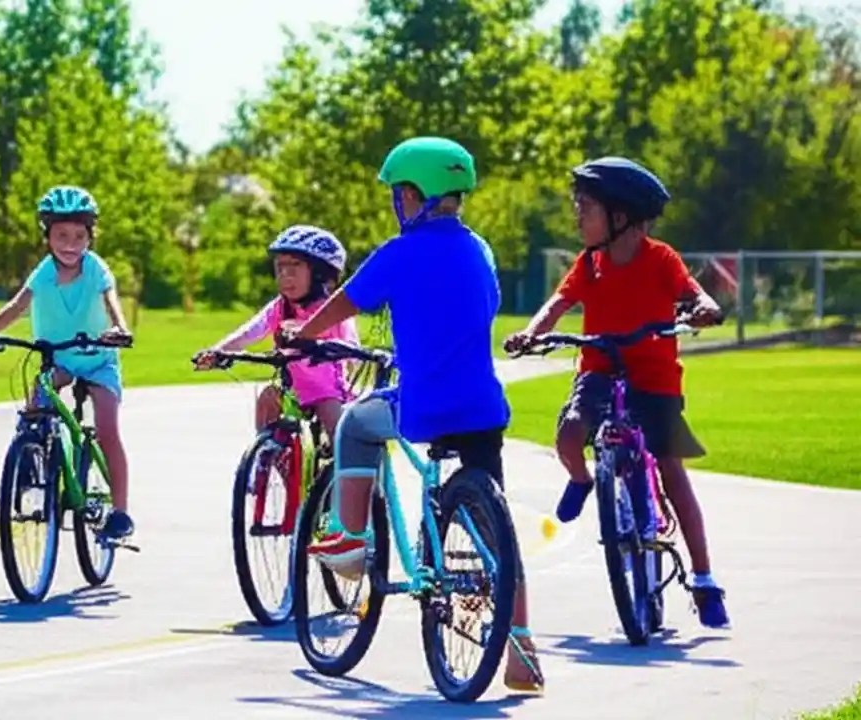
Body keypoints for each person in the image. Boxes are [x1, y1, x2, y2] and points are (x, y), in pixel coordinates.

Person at [284, 136, 545, 692]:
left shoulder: (399, 254)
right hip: (482, 406)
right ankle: (521, 650)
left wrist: (300, 333)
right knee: (499, 534)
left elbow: (344, 303)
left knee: (356, 422)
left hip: (424, 406)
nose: (394, 205)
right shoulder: (480, 249)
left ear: (413, 195)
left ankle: (350, 536)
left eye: (397, 195)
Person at [502, 156, 729, 629]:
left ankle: (705, 580)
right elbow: (558, 303)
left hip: (654, 376)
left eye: (585, 207)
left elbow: (693, 295)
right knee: (568, 435)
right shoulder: (591, 264)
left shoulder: (661, 259)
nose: (577, 216)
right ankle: (584, 480)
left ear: (620, 217)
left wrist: (705, 307)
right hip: (601, 369)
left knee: (671, 469)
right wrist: (532, 333)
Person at [0, 185, 135, 540]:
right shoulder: (43, 272)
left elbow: (111, 301)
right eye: (61, 236)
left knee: (106, 429)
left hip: (98, 359)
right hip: (60, 358)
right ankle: (28, 457)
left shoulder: (96, 269)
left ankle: (120, 512)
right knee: (35, 405)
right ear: (47, 238)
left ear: (90, 237)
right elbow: (17, 306)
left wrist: (120, 327)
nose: (70, 244)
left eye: (79, 236)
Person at [192, 224, 358, 439]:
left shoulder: (332, 309)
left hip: (328, 391)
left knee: (339, 435)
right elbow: (249, 332)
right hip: (292, 388)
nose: (285, 275)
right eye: (280, 267)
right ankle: (266, 459)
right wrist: (218, 351)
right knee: (267, 401)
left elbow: (352, 346)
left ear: (319, 274)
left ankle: (342, 470)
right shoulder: (280, 307)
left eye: (295, 266)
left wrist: (348, 356)